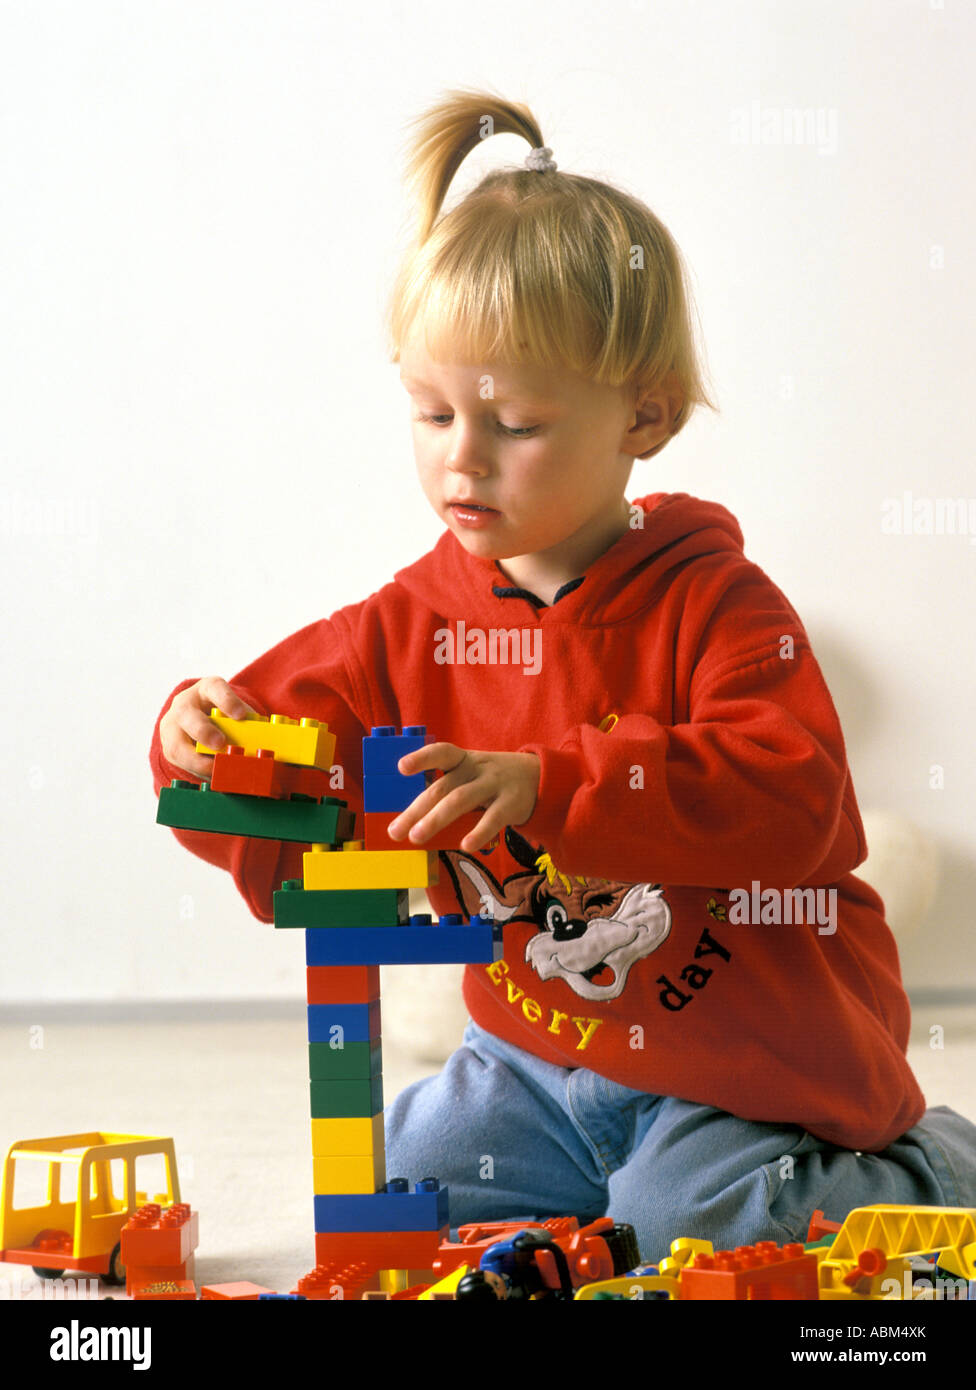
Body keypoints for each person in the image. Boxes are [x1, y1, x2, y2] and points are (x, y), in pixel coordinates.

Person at [151, 87, 976, 1264]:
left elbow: (791, 797)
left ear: (644, 414)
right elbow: (273, 753)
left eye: (513, 423)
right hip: (536, 1067)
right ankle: (601, 1203)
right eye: (430, 412)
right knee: (389, 1197)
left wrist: (553, 783)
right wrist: (195, 731)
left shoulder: (718, 603)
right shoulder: (405, 627)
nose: (460, 459)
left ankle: (930, 1156)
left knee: (692, 1230)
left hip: (738, 1069)